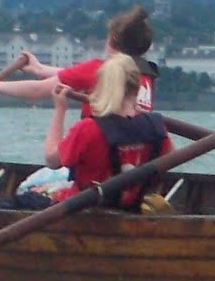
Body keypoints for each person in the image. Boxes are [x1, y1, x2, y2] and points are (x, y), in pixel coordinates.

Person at [0, 4, 158, 116]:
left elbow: (37, 90)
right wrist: (40, 69)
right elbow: (74, 76)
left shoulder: (99, 70)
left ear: (111, 41)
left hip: (99, 168)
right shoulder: (144, 74)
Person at [43, 52, 172, 211]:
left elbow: (52, 160)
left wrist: (60, 109)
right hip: (132, 209)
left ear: (101, 86)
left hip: (82, 210)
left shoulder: (87, 129)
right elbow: (167, 162)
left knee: (28, 194)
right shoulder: (157, 128)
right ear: (138, 88)